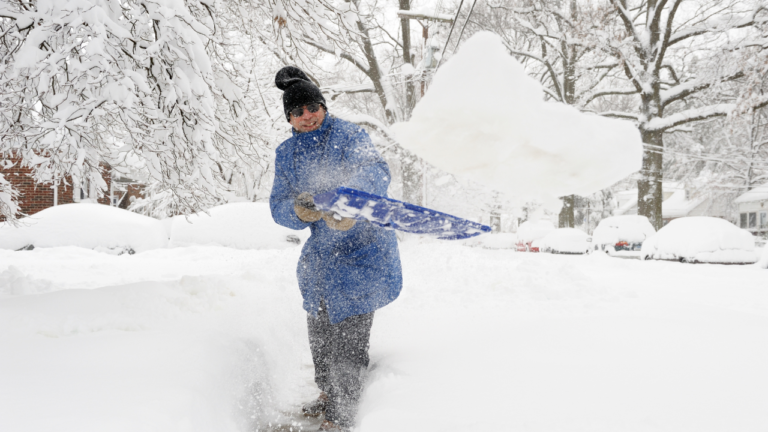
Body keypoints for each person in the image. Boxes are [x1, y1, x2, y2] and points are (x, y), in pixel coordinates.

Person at [269, 66, 403, 432]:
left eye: (311, 108)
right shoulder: (287, 154)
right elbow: (278, 204)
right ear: (290, 119)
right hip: (322, 257)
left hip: (363, 253)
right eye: (297, 113)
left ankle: (342, 417)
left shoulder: (349, 135)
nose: (306, 117)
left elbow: (375, 172)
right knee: (321, 331)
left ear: (323, 106)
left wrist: (350, 202)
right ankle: (328, 393)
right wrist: (297, 210)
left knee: (347, 340)